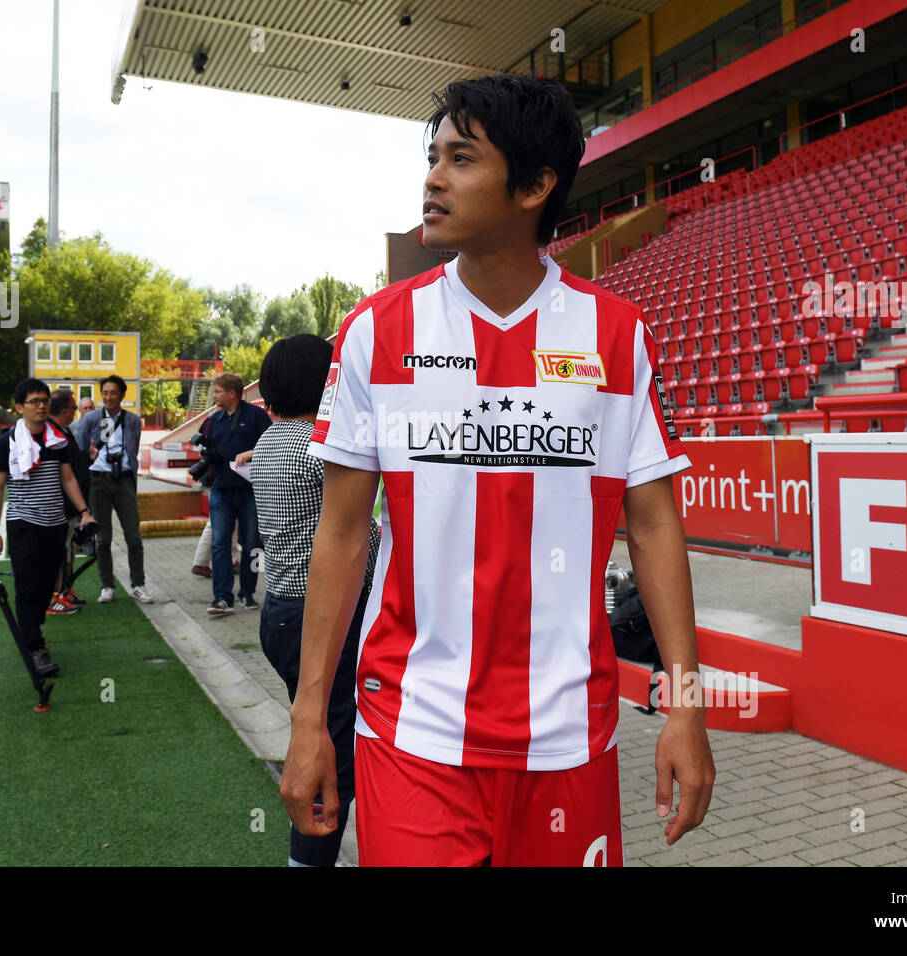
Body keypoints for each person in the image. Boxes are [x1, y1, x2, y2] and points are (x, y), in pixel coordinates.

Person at [279, 73, 715, 866]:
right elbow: (341, 536)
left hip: (569, 738)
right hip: (412, 730)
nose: (432, 178)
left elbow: (653, 527)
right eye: (432, 156)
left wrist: (685, 708)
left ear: (536, 186)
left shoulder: (615, 333)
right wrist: (311, 716)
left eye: (461, 159)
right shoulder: (377, 330)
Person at [252, 334, 380, 866]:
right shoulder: (319, 445)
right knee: (334, 760)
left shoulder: (266, 442)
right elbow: (353, 530)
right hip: (321, 614)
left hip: (280, 609)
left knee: (323, 733)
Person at [0, 378, 96, 677]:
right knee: (27, 585)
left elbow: (68, 479)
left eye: (45, 400)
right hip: (23, 523)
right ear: (19, 407)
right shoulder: (5, 444)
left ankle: (32, 626)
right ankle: (35, 647)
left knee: (49, 584)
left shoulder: (57, 439)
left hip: (55, 524)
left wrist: (84, 512)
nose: (42, 406)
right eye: (35, 401)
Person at [76, 375, 153, 604]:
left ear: (122, 395)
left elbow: (133, 448)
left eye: (113, 393)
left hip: (125, 480)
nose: (109, 397)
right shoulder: (90, 419)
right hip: (98, 481)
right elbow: (82, 450)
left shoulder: (132, 420)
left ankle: (138, 584)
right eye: (105, 393)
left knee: (133, 536)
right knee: (103, 538)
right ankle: (107, 586)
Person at [201, 373, 272, 615]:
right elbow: (209, 449)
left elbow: (271, 443)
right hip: (220, 490)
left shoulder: (256, 416)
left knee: (251, 544)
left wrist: (251, 452)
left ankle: (247, 594)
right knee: (220, 544)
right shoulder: (214, 420)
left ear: (232, 393)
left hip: (250, 491)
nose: (214, 395)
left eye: (218, 391)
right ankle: (222, 598)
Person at [46, 389, 88, 614]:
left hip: (70, 507)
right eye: (73, 408)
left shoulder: (62, 431)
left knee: (69, 552)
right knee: (61, 553)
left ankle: (64, 591)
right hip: (62, 507)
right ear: (65, 410)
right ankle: (55, 597)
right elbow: (64, 475)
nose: (76, 412)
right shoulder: (53, 434)